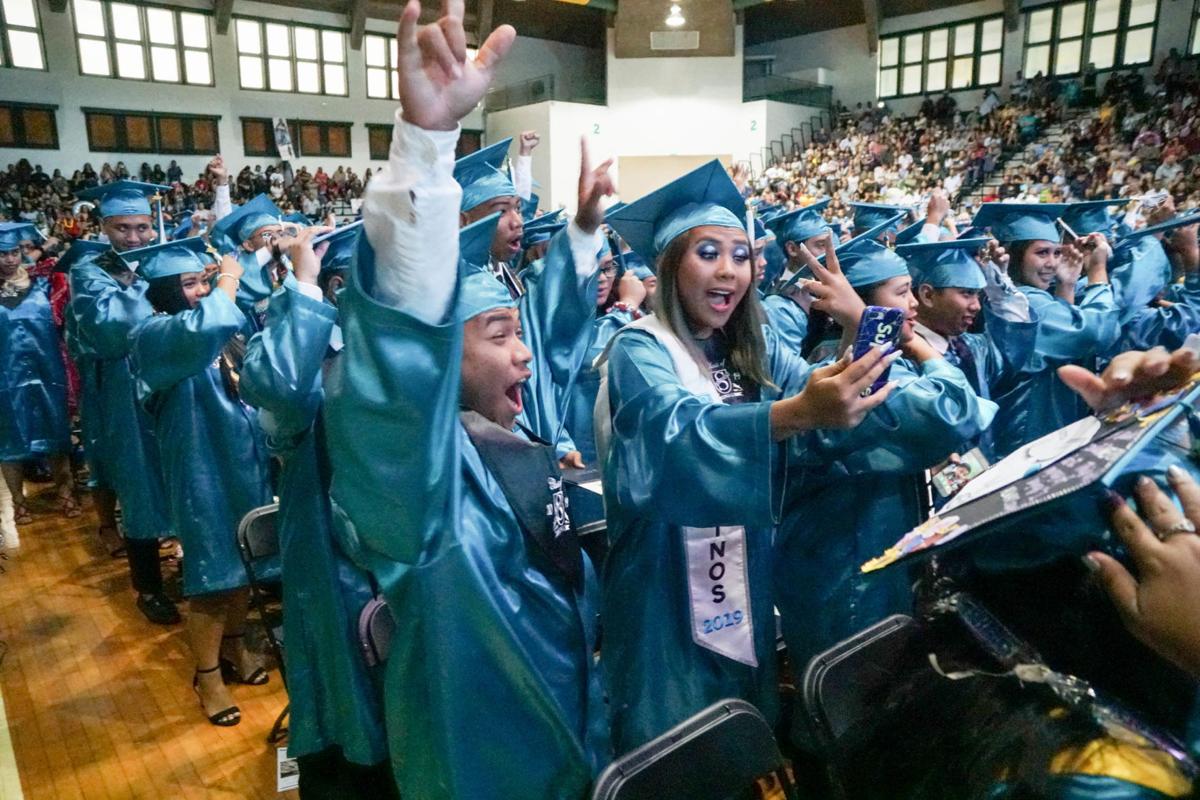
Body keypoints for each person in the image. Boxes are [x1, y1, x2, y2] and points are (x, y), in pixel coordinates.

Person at [323, 3, 611, 794]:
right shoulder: (420, 487)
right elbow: (388, 386)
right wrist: (424, 149)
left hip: (570, 742)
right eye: (497, 333)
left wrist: (585, 229)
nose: (526, 351)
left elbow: (551, 336)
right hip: (478, 764)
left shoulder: (508, 443)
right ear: (437, 360)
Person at [598, 160, 901, 754]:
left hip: (741, 573)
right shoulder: (639, 348)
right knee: (682, 745)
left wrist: (863, 324)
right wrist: (797, 414)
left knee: (744, 733)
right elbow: (675, 436)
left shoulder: (749, 352)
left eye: (740, 255)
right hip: (665, 588)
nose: (729, 270)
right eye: (708, 252)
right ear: (668, 267)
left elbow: (831, 394)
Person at [772, 235, 995, 684]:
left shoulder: (867, 363)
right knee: (854, 691)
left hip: (866, 551)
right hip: (844, 563)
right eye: (900, 293)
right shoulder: (834, 373)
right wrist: (911, 343)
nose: (914, 304)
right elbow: (954, 410)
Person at [240, 222, 394, 797]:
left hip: (397, 550)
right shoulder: (302, 352)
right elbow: (277, 389)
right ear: (336, 285)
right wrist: (301, 287)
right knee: (346, 692)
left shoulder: (392, 350)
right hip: (333, 556)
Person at [129, 237, 273, 727]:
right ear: (163, 291)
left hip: (242, 461)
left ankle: (235, 648)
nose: (200, 290)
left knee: (243, 568)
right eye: (187, 284)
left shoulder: (212, 329)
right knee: (212, 577)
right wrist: (228, 277)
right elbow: (210, 320)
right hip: (200, 468)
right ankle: (207, 675)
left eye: (201, 281)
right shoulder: (152, 335)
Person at [67, 180, 181, 625]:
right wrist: (152, 288)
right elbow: (110, 329)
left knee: (176, 470)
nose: (133, 238)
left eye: (140, 227)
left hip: (166, 380)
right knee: (139, 480)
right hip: (122, 386)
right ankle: (148, 586)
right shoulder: (88, 271)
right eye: (122, 229)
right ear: (104, 227)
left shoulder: (155, 260)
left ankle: (186, 560)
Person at [972, 203, 1118, 456]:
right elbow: (1096, 333)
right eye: (1042, 253)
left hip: (1033, 426)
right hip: (1030, 433)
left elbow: (1058, 352)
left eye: (1056, 252)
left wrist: (1067, 286)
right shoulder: (1026, 302)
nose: (1052, 263)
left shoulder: (1020, 297)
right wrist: (1097, 272)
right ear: (1014, 255)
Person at [0, 222, 78, 524]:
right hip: (5, 379)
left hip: (48, 373)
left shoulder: (46, 285)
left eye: (14, 252)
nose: (8, 259)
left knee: (57, 435)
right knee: (9, 440)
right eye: (2, 253)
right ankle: (19, 502)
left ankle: (66, 493)